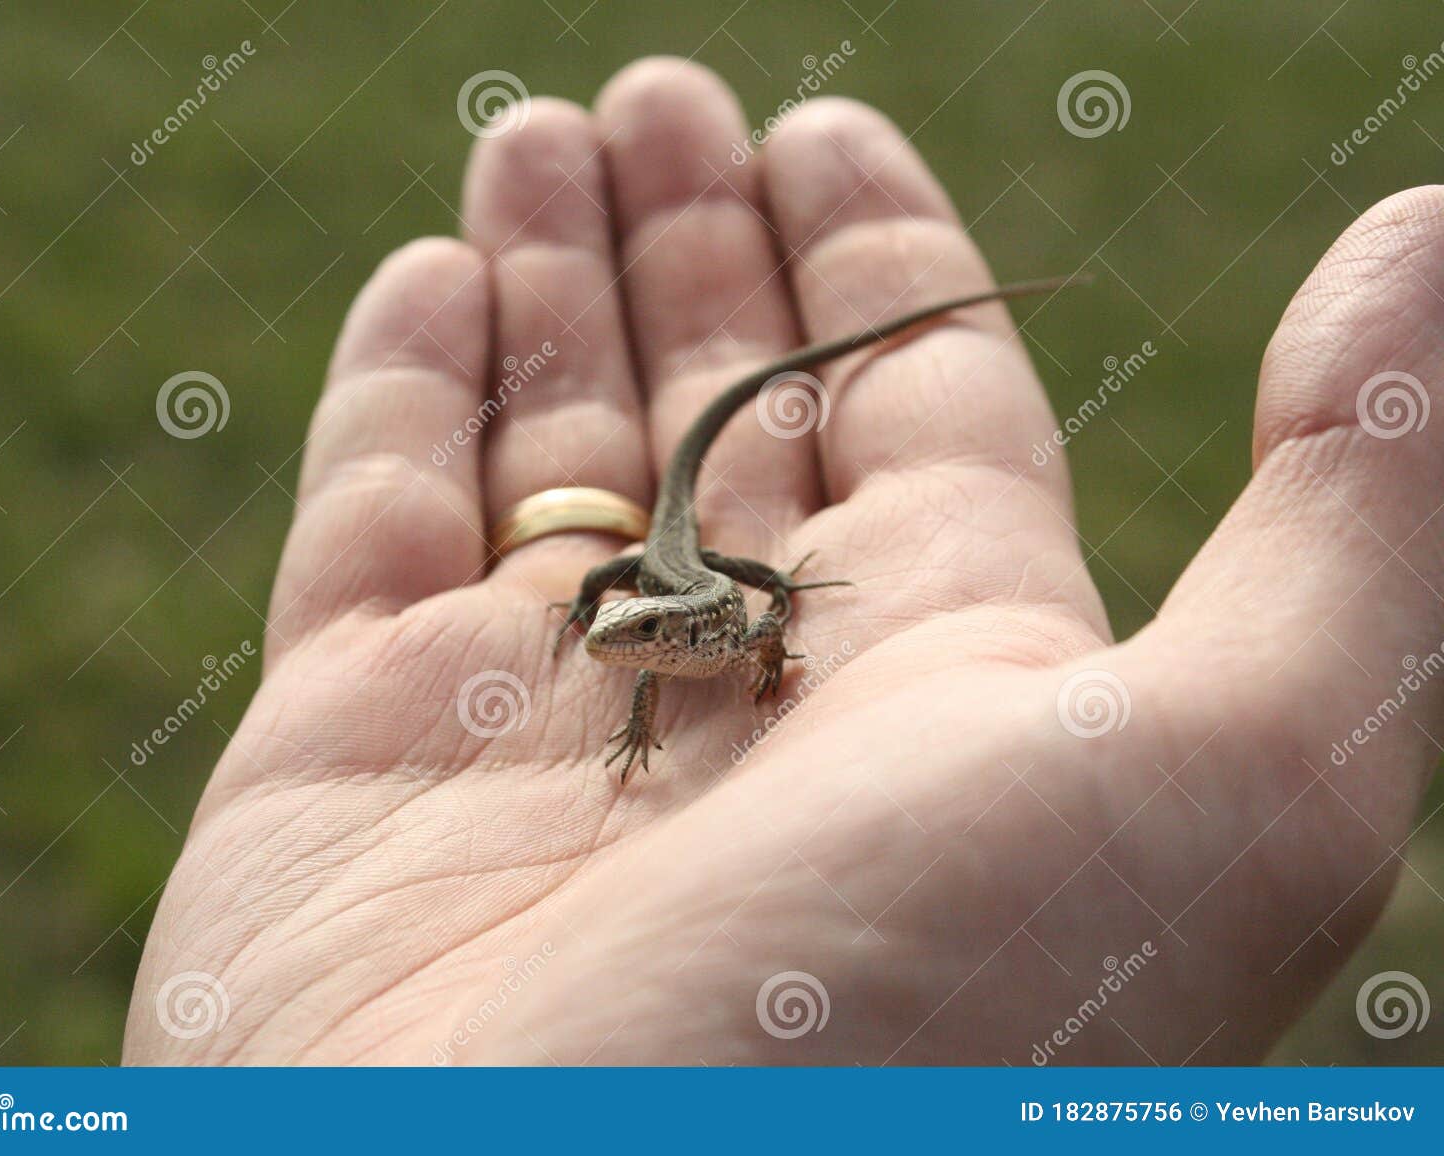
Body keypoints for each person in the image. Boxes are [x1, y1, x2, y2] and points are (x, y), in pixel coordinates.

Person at [123, 58, 1441, 1065]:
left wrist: (780, 623)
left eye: (630, 632)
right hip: (659, 553)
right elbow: (630, 659)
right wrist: (606, 647)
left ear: (669, 627)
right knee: (616, 589)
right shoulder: (640, 637)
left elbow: (741, 631)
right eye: (623, 635)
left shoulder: (711, 624)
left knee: (743, 569)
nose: (624, 646)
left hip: (705, 556)